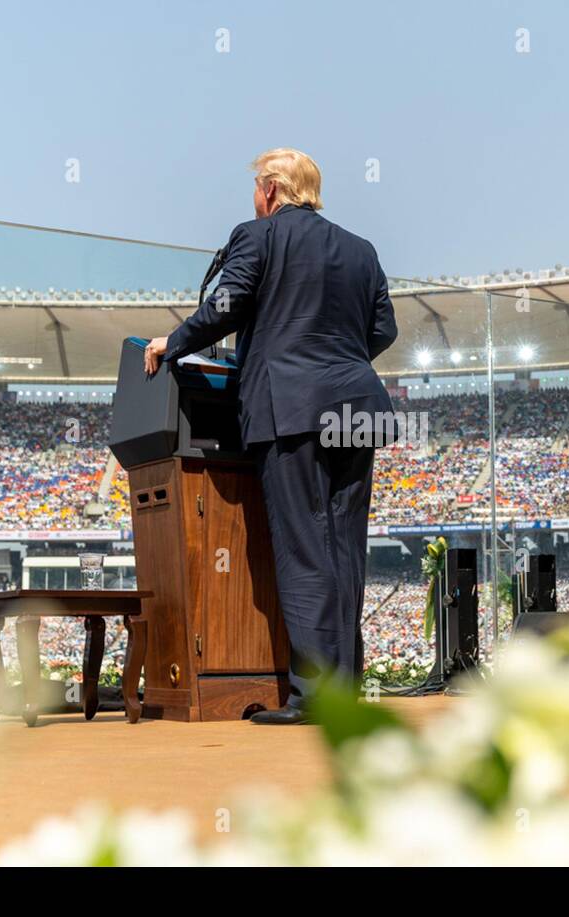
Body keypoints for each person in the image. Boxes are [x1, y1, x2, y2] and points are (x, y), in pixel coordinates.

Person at [143, 148, 398, 724]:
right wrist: (338, 364)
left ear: (271, 189)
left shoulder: (258, 236)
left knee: (305, 548)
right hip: (357, 408)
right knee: (343, 550)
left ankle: (313, 700)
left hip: (292, 410)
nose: (254, 199)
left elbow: (226, 305)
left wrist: (172, 342)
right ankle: (345, 693)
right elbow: (384, 328)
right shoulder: (361, 250)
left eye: (256, 189)